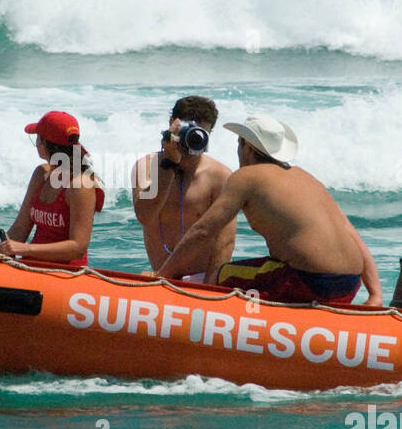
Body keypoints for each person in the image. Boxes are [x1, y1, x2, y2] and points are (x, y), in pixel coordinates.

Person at [155, 113, 382, 305]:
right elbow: (351, 233)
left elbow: (203, 231)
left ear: (246, 146)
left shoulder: (246, 177)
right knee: (266, 269)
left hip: (308, 282)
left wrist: (162, 275)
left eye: (239, 144)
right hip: (349, 285)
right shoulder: (305, 177)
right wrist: (375, 294)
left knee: (220, 275)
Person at [131, 96, 235, 282]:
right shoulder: (146, 167)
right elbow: (145, 215)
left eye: (201, 133)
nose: (193, 139)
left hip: (203, 278)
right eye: (189, 131)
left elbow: (225, 242)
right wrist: (170, 162)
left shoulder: (220, 176)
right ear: (172, 124)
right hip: (160, 278)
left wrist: (212, 289)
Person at [0, 111, 104, 267]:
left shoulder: (80, 185)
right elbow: (20, 228)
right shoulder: (41, 174)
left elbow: (78, 247)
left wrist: (26, 249)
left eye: (37, 138)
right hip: (29, 267)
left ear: (45, 143)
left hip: (65, 274)